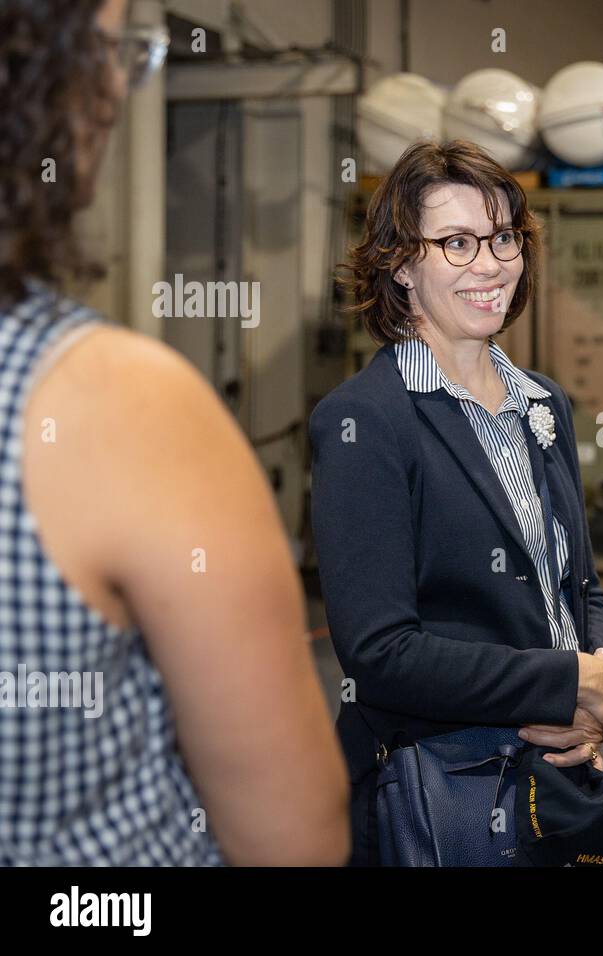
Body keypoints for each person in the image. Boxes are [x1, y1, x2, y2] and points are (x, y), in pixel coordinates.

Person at [0, 0, 349, 865]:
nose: (119, 84)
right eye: (115, 48)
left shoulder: (536, 408)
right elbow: (293, 838)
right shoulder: (111, 405)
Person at [311, 139, 603, 866]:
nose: (490, 264)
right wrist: (561, 684)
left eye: (503, 238)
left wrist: (594, 693)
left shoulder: (541, 404)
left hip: (545, 783)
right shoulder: (368, 421)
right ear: (400, 262)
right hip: (434, 793)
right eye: (456, 243)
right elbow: (380, 654)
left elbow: (578, 587)